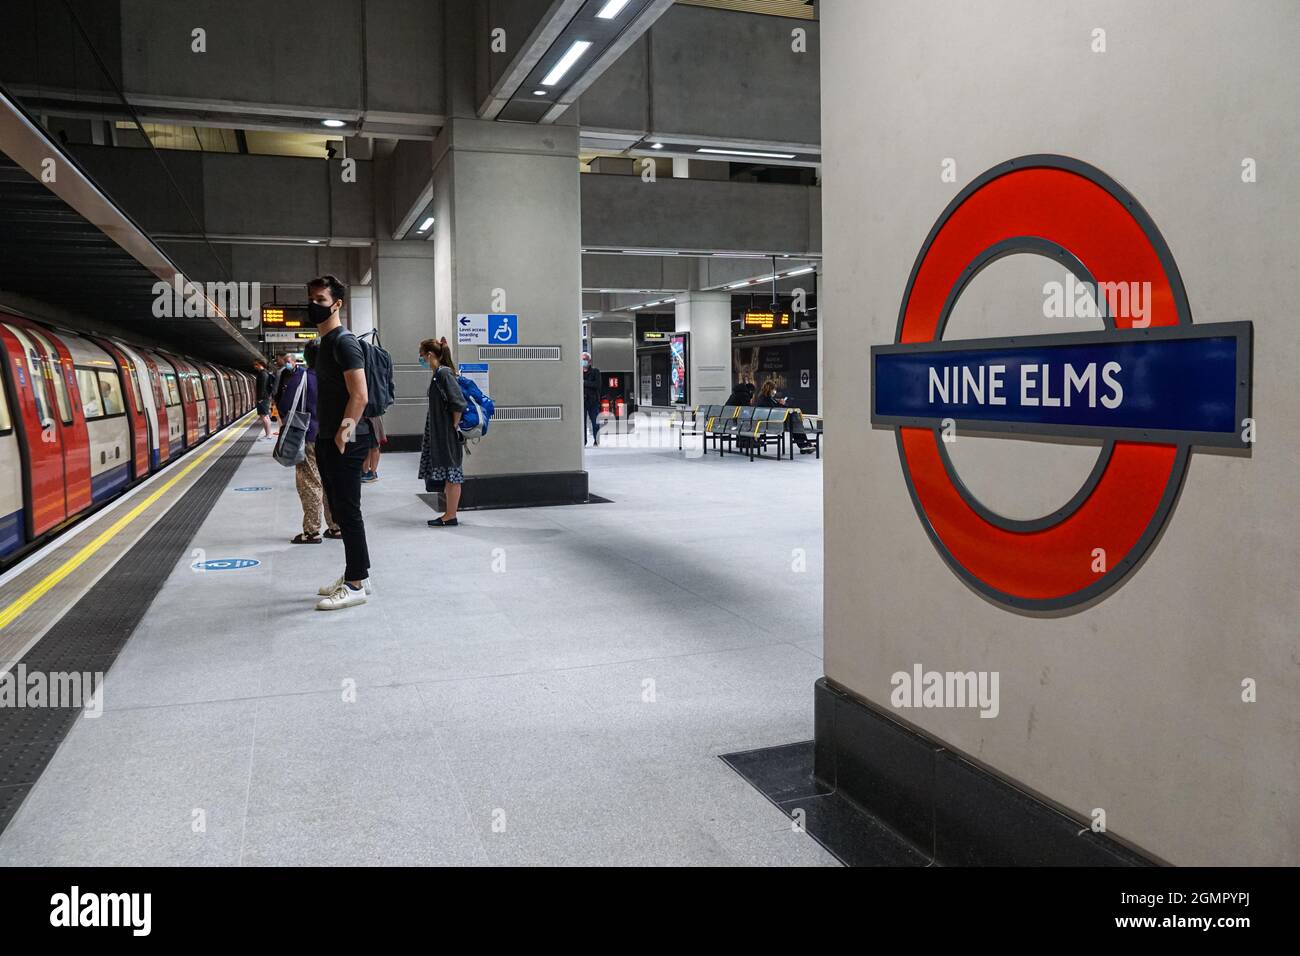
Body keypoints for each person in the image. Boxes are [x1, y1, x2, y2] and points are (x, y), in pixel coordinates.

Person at [307, 274, 374, 610]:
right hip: (327, 437)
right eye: (312, 299)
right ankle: (356, 571)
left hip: (345, 440)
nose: (314, 305)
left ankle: (356, 584)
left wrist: (342, 435)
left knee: (347, 511)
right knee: (338, 510)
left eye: (321, 300)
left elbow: (359, 395)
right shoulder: (323, 345)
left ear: (337, 304)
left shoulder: (343, 342)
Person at [286, 341, 341, 544]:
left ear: (307, 357)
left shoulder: (303, 378)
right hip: (334, 437)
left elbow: (287, 405)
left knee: (310, 481)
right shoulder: (336, 377)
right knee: (331, 481)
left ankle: (312, 531)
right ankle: (336, 526)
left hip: (309, 436)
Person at [418, 337, 467, 527]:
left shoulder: (444, 374)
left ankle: (451, 515)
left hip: (446, 434)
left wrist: (452, 427)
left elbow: (458, 404)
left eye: (422, 355)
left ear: (430, 355)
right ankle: (449, 513)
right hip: (440, 433)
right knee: (448, 474)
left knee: (453, 474)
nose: (421, 359)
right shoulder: (438, 374)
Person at [754, 380, 815, 454]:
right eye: (774, 389)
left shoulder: (764, 398)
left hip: (770, 422)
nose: (775, 391)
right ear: (770, 389)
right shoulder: (766, 399)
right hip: (774, 423)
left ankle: (804, 444)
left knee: (794, 422)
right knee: (795, 422)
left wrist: (779, 403)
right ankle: (804, 444)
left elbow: (774, 406)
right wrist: (782, 404)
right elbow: (776, 409)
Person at [582, 352, 602, 446]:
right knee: (582, 423)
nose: (583, 361)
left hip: (593, 401)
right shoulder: (577, 372)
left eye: (585, 359)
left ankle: (596, 440)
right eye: (582, 359)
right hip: (582, 401)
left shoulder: (595, 372)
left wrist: (584, 382)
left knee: (595, 422)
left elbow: (597, 385)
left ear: (589, 361)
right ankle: (583, 441)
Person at [253, 360, 274, 439]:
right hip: (265, 398)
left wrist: (260, 398)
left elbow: (262, 387)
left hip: (263, 399)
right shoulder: (265, 373)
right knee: (266, 416)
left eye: (256, 364)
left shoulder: (262, 374)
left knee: (264, 417)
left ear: (261, 364)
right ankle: (268, 434)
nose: (255, 366)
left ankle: (268, 435)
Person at [361, 415, 385, 482]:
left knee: (374, 445)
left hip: (372, 417)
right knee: (367, 446)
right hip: (364, 418)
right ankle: (365, 471)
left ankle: (372, 473)